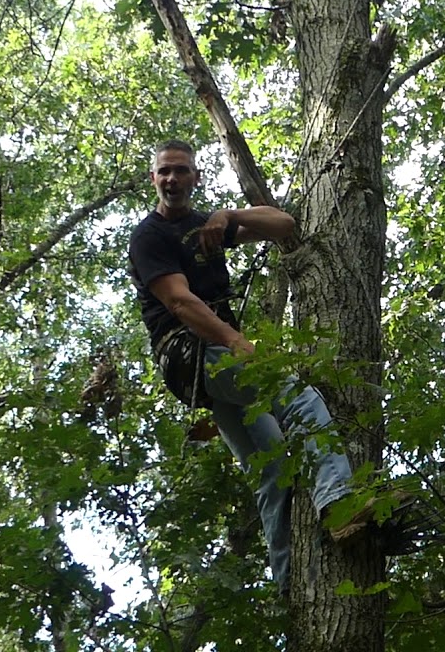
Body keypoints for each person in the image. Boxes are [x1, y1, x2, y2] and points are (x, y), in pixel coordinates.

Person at [127, 139, 391, 596]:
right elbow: (179, 301)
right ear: (153, 179)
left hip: (208, 365)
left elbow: (283, 224)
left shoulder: (204, 225)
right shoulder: (149, 236)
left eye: (181, 170)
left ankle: (290, 586)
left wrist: (228, 216)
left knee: (272, 466)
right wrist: (235, 341)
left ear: (195, 178)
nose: (172, 179)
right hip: (190, 353)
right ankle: (339, 503)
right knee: (298, 397)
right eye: (164, 171)